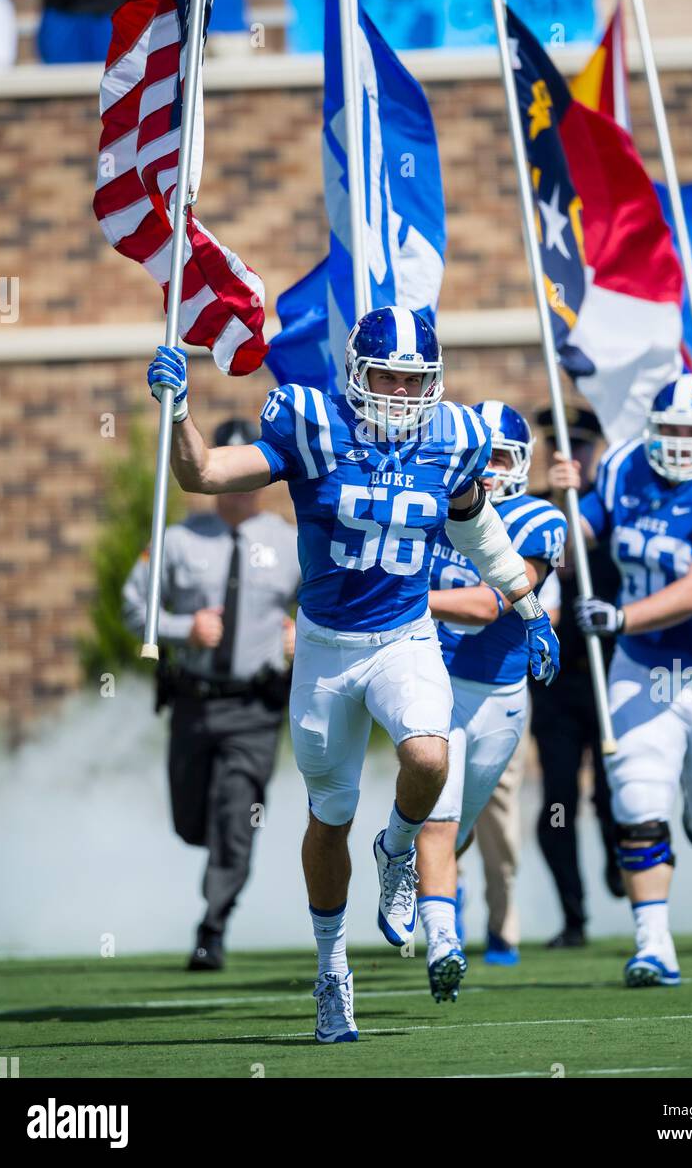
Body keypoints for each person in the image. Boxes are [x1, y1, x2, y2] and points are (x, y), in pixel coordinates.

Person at [145, 306, 559, 1042]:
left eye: (413, 379)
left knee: (429, 754)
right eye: (387, 377)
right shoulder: (312, 423)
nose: (400, 393)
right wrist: (179, 414)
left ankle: (397, 846)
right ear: (355, 375)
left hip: (404, 637)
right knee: (328, 816)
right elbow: (203, 473)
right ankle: (332, 969)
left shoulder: (454, 438)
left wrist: (526, 606)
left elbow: (475, 525)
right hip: (327, 648)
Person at [552, 375, 692, 988]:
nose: (679, 444)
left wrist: (622, 615)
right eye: (670, 430)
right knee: (637, 797)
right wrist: (563, 511)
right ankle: (653, 945)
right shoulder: (626, 466)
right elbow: (586, 532)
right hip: (641, 667)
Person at [122, 418, 300, 971]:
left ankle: (213, 925)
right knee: (191, 820)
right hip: (195, 703)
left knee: (236, 815)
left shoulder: (292, 544)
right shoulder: (176, 541)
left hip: (255, 707)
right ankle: (214, 875)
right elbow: (134, 608)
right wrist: (182, 630)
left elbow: (327, 606)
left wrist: (305, 633)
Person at [419, 401, 566, 1000]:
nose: (488, 471)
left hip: (500, 696)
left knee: (462, 824)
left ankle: (416, 873)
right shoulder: (431, 505)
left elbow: (487, 606)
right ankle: (443, 939)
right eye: (479, 458)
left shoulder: (538, 520)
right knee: (440, 812)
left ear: (522, 464)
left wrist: (405, 600)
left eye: (500, 458)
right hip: (433, 680)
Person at [532, 405, 624, 952]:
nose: (570, 456)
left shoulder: (613, 509)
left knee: (616, 793)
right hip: (559, 678)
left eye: (582, 447)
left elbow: (590, 545)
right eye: (560, 447)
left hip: (614, 672)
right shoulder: (543, 511)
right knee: (558, 800)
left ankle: (621, 861)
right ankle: (573, 916)